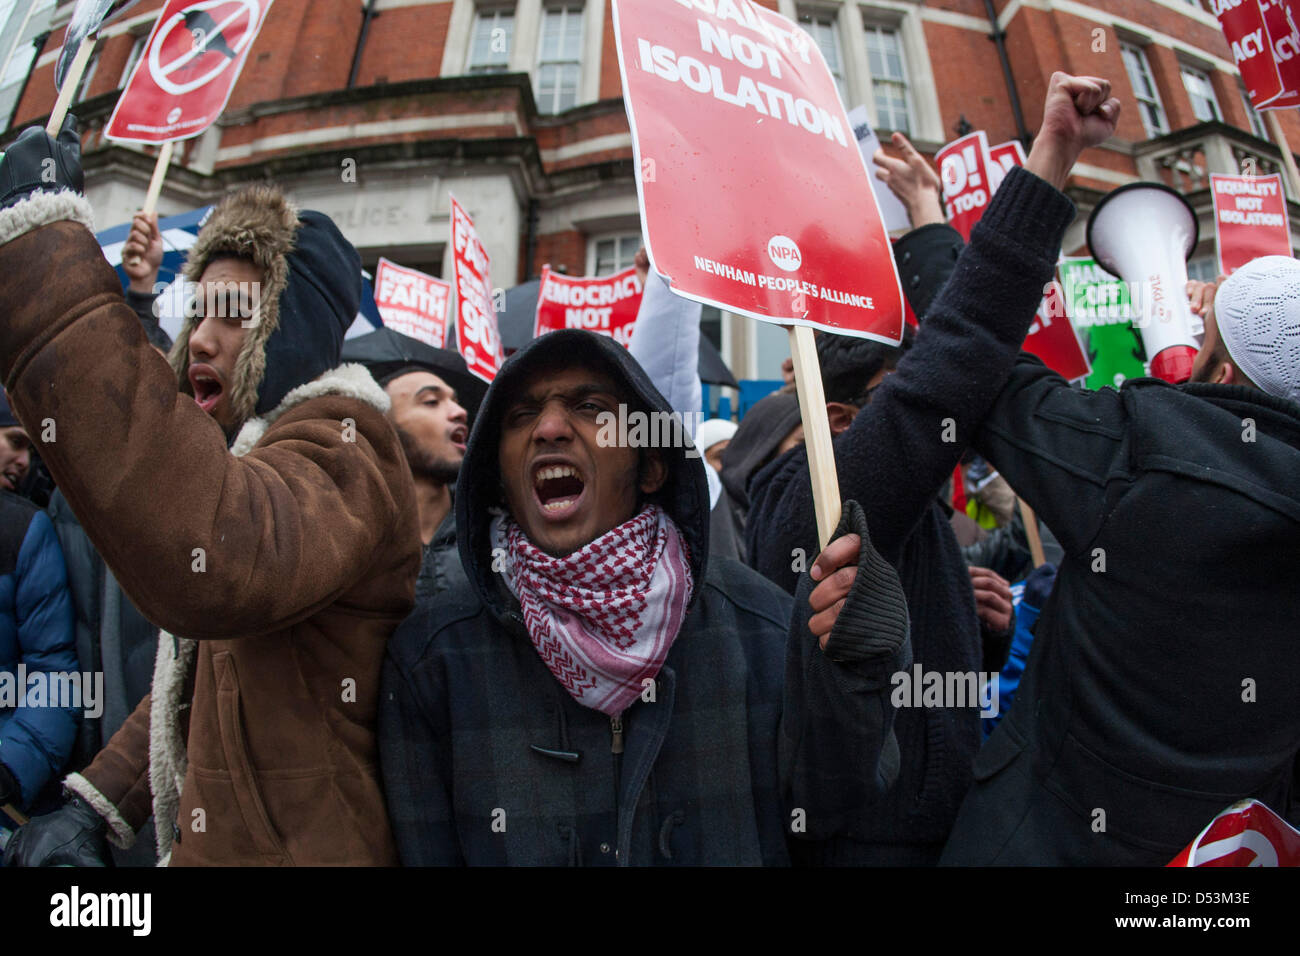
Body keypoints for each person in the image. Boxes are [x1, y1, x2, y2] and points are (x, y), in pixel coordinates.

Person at [0, 123, 419, 866]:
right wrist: (94, 804)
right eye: (199, 311)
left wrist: (41, 254)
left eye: (234, 315)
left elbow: (221, 555)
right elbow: (195, 684)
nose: (198, 338)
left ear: (285, 334)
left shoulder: (347, 444)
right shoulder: (250, 458)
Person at [741, 73, 1120, 863]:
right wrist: (1046, 162)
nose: (947, 428)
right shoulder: (812, 497)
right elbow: (955, 361)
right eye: (897, 396)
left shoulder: (906, 516)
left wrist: (976, 637)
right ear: (839, 420)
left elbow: (910, 683)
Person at [378, 329, 912, 865]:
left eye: (589, 407)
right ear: (498, 477)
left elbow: (830, 807)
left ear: (652, 466)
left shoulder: (761, 625)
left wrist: (857, 675)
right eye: (520, 415)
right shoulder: (434, 658)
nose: (549, 428)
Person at [941, 256, 1300, 865]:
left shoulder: (1140, 452)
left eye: (1204, 338)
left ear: (1225, 369)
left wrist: (937, 236)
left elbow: (983, 368)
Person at [343, 329, 483, 602]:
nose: (459, 412)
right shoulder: (345, 538)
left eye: (455, 401)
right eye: (431, 401)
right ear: (381, 426)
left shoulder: (493, 535)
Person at [1, 398, 78, 830]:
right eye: (14, 441)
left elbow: (56, 675)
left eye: (30, 449)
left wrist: (9, 766)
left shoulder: (25, 531)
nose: (24, 461)